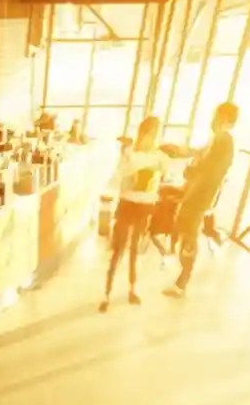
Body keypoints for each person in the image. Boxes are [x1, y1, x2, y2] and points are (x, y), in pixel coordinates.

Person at [161, 102, 239, 298]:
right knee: (186, 231)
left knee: (189, 234)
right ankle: (182, 275)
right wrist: (179, 152)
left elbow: (210, 170)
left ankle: (183, 280)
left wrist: (193, 171)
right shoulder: (217, 140)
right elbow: (199, 155)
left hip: (200, 196)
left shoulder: (225, 143)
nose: (214, 120)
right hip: (195, 193)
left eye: (218, 117)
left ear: (228, 121)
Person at [100, 116, 171, 312]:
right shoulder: (131, 154)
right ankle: (107, 293)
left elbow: (164, 176)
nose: (152, 139)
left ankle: (132, 288)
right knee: (118, 250)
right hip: (127, 204)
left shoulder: (159, 158)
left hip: (144, 207)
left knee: (134, 251)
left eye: (156, 135)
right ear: (142, 134)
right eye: (150, 134)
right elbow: (118, 177)